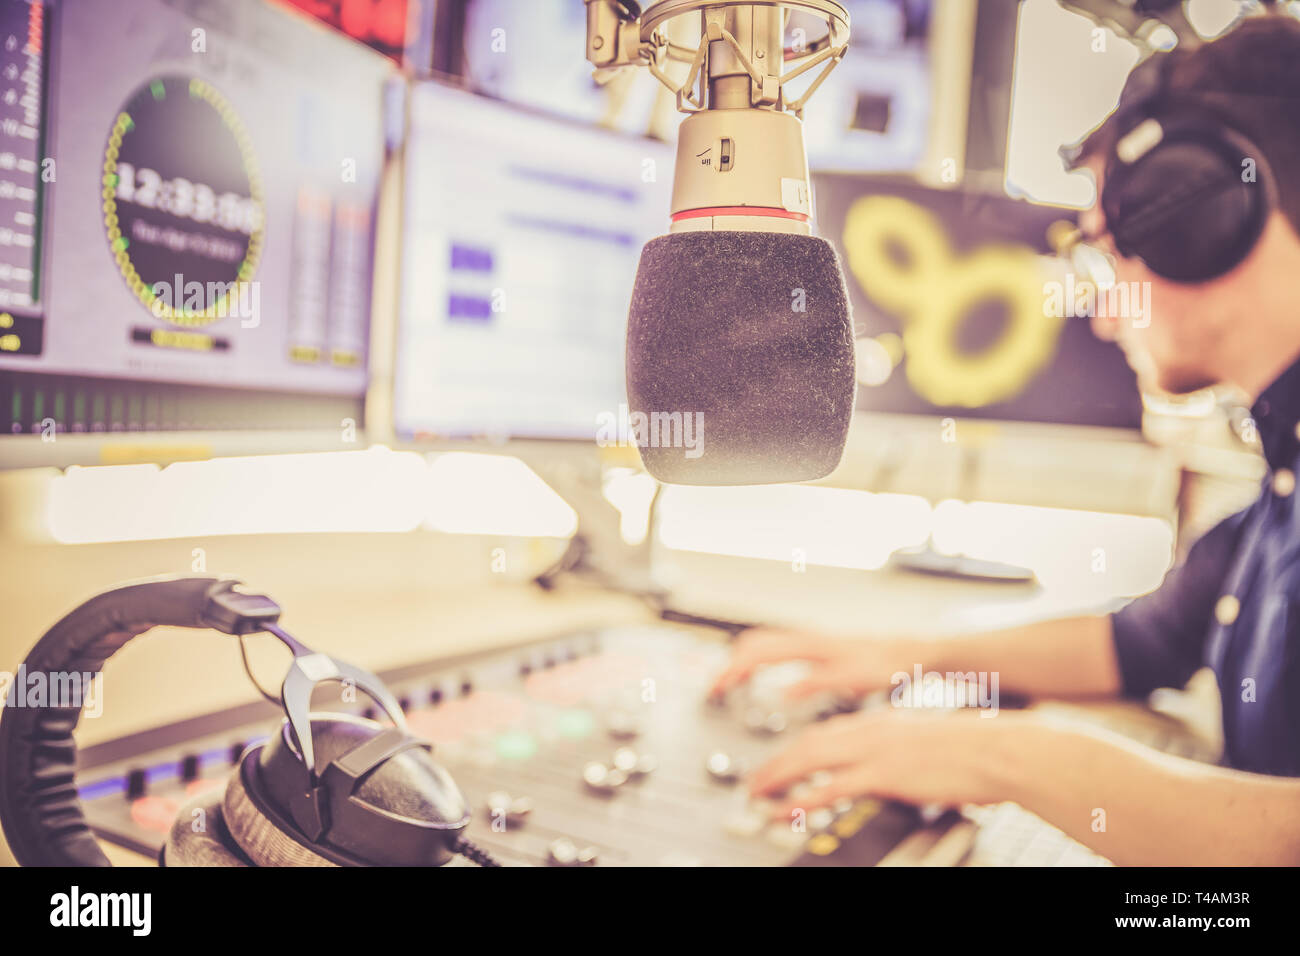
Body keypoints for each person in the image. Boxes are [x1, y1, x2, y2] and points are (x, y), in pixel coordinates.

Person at [709, 17, 1300, 866]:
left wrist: (999, 757)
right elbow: (1142, 644)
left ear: (1205, 212)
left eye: (1102, 249)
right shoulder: (1281, 483)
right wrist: (903, 657)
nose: (1101, 312)